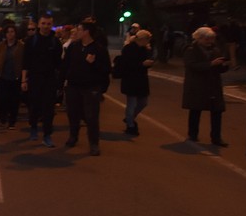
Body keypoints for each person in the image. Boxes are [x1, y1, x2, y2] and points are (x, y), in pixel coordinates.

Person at [62, 20, 111, 155]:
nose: (76, 32)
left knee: (91, 117)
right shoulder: (74, 47)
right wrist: (63, 80)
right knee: (73, 114)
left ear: (86, 32)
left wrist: (94, 63)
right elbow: (66, 64)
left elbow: (106, 69)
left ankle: (94, 143)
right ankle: (73, 136)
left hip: (90, 88)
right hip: (73, 86)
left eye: (79, 30)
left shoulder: (99, 49)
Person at [182, 26, 231, 146]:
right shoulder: (191, 49)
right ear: (199, 38)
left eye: (211, 39)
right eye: (206, 39)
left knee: (217, 111)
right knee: (195, 110)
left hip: (213, 84)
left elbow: (219, 68)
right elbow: (192, 65)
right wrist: (210, 64)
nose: (209, 42)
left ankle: (216, 137)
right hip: (197, 84)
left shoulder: (215, 50)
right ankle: (192, 134)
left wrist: (224, 65)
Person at [21, 12, 62, 146]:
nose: (45, 26)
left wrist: (60, 82)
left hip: (49, 79)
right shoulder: (31, 41)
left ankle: (47, 135)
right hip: (34, 78)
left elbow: (58, 64)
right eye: (43, 23)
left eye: (48, 24)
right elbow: (25, 62)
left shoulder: (55, 42)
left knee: (49, 109)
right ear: (38, 25)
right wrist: (24, 80)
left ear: (52, 25)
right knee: (34, 106)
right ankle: (33, 127)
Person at [118, 28, 154, 136]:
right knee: (132, 103)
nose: (148, 42)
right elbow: (127, 65)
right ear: (143, 39)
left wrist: (149, 63)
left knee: (143, 102)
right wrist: (142, 64)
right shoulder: (128, 49)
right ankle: (130, 125)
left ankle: (129, 118)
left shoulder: (145, 49)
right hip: (131, 79)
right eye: (147, 40)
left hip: (141, 80)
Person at [0, 24, 24, 130]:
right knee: (3, 99)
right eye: (8, 32)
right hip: (3, 76)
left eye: (12, 32)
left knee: (14, 100)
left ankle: (12, 121)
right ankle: (3, 117)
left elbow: (24, 61)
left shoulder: (21, 46)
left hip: (15, 76)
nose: (10, 34)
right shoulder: (1, 45)